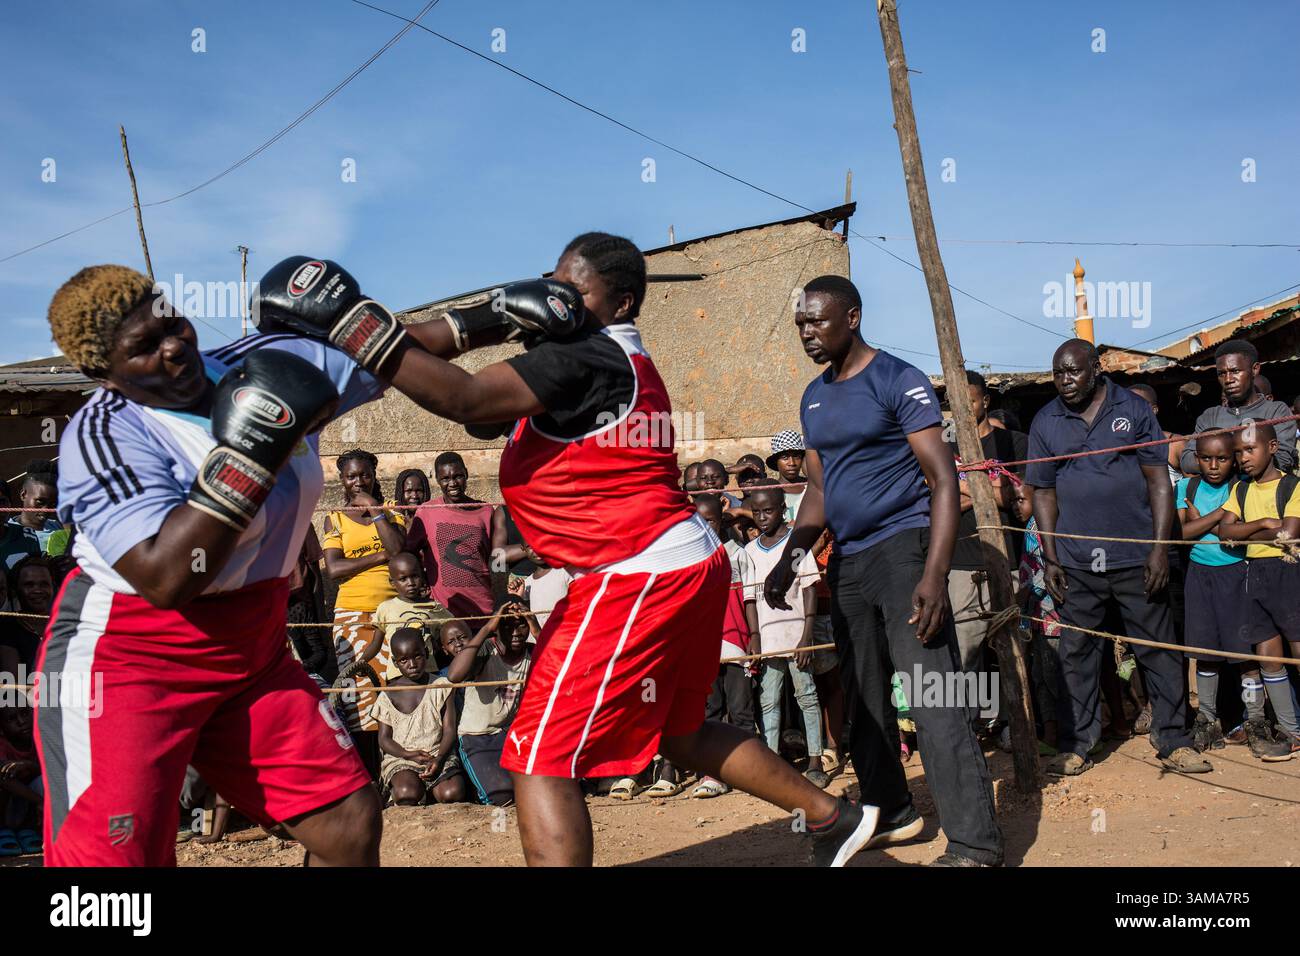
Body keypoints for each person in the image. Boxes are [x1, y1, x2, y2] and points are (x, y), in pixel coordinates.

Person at [282, 235, 879, 866]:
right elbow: (473, 406)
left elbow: (464, 399)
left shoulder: (590, 357)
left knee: (539, 754)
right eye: (552, 284)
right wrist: (482, 320)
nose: (557, 299)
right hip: (677, 563)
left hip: (638, 571)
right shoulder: (592, 358)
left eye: (576, 290)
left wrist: (350, 319)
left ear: (621, 301)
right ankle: (830, 817)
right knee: (679, 733)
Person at [36, 263, 387, 866]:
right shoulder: (103, 436)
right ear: (103, 372)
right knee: (118, 868)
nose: (174, 346)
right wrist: (247, 453)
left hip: (252, 651)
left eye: (170, 321)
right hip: (131, 659)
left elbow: (397, 354)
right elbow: (168, 578)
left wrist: (503, 320)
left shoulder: (251, 365)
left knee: (347, 824)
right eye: (144, 348)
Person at [765, 274, 1001, 867]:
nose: (807, 332)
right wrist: (788, 560)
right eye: (800, 323)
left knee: (933, 695)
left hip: (903, 553)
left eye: (817, 320)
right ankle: (893, 811)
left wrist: (933, 574)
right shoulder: (814, 397)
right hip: (848, 561)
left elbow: (943, 480)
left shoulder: (898, 378)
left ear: (852, 317)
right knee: (866, 698)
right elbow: (818, 490)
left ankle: (975, 845)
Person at [1024, 339, 1209, 777]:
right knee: (1077, 653)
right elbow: (1043, 493)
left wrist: (1159, 550)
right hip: (1076, 560)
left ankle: (1174, 741)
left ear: (1096, 368)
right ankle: (1077, 745)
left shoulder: (1133, 408)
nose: (1065, 381)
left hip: (1134, 556)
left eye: (1073, 371)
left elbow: (1158, 482)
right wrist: (1051, 558)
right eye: (1058, 373)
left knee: (1157, 650)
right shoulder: (1046, 419)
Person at [1174, 433, 1274, 756]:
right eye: (1206, 459)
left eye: (1222, 459)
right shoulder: (1186, 488)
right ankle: (1206, 718)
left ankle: (1256, 719)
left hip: (1237, 576)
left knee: (1245, 654)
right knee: (1205, 653)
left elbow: (1237, 538)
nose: (1214, 466)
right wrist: (1218, 517)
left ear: (1233, 459)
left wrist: (1201, 520)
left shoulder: (1241, 489)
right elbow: (1182, 536)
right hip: (1199, 578)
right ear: (1196, 458)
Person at [1218, 421, 1300, 758]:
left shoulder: (1292, 486)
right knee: (1268, 655)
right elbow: (1225, 533)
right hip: (1255, 575)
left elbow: (1290, 535)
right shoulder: (1240, 489)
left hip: (1289, 574)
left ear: (1273, 448)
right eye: (1238, 452)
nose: (1243, 458)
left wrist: (1244, 532)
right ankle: (1290, 730)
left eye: (1250, 449)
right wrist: (1266, 524)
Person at [322, 448, 408, 773]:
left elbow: (399, 548)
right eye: (351, 476)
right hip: (351, 614)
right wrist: (378, 557)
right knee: (358, 695)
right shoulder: (335, 517)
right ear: (342, 480)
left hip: (392, 611)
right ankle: (370, 775)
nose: (359, 481)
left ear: (374, 475)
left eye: (365, 474)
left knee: (394, 687)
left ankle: (399, 771)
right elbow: (334, 569)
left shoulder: (390, 511)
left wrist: (375, 510)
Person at [742, 483, 828, 788]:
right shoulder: (749, 552)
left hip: (796, 637)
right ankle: (771, 761)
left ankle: (816, 760)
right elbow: (750, 599)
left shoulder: (796, 545)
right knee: (768, 700)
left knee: (806, 695)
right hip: (767, 640)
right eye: (756, 512)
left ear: (783, 510)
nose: (762, 517)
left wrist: (806, 636)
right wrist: (755, 637)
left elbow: (808, 589)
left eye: (768, 510)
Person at [945, 370, 1025, 673]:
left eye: (972, 401)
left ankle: (1012, 720)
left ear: (986, 401)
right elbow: (940, 503)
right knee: (966, 655)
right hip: (963, 564)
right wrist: (994, 491)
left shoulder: (1012, 443)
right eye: (956, 402)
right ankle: (978, 720)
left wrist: (958, 483)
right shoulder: (942, 447)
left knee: (1015, 652)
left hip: (1010, 559)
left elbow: (1020, 500)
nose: (965, 409)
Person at [691, 494, 756, 798]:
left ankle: (751, 772)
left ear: (723, 520)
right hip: (703, 646)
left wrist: (753, 636)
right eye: (699, 520)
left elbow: (749, 598)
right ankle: (713, 773)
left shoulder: (737, 553)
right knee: (711, 710)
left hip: (734, 642)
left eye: (712, 519)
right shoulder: (688, 557)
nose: (705, 525)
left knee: (741, 710)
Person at [446, 600, 533, 807]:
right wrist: (487, 628)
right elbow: (454, 675)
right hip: (477, 737)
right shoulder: (486, 650)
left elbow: (563, 666)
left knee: (537, 789)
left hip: (511, 735)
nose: (515, 632)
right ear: (496, 627)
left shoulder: (533, 652)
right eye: (506, 625)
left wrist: (536, 627)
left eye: (522, 624)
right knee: (502, 798)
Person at [372, 628, 467, 805]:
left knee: (452, 793)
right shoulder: (388, 695)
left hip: (438, 754)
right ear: (395, 662)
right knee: (407, 793)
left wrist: (439, 758)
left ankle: (431, 792)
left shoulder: (441, 686)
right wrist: (408, 754)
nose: (412, 664)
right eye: (404, 660)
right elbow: (384, 739)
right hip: (402, 757)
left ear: (427, 653)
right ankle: (408, 791)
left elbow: (449, 729)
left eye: (417, 656)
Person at [405, 452, 500, 620]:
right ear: (437, 480)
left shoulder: (485, 511)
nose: (453, 483)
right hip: (444, 611)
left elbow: (497, 555)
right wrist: (421, 581)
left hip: (483, 608)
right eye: (445, 479)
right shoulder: (427, 511)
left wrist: (504, 580)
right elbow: (409, 552)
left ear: (466, 474)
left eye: (458, 476)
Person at [1180, 340, 1295, 474]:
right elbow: (1187, 461)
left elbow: (1282, 460)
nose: (1228, 379)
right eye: (1221, 374)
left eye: (1235, 371)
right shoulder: (1210, 416)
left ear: (1254, 369)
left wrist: (1217, 461)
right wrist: (1246, 460)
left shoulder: (1276, 411)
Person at [1014, 484, 1063, 752]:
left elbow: (1045, 572)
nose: (1015, 505)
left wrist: (1023, 594)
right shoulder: (1029, 527)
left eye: (1021, 499)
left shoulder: (1042, 526)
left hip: (1050, 614)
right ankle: (1052, 733)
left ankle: (1069, 733)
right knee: (1040, 675)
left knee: (1054, 673)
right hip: (1036, 615)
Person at [371, 551, 453, 680]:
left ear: (422, 576)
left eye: (415, 576)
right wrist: (361, 662)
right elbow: (375, 644)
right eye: (403, 579)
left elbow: (452, 628)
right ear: (392, 582)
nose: (410, 583)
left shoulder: (433, 607)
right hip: (397, 675)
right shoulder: (385, 608)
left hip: (429, 672)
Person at [0, 694, 42, 856]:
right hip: (7, 806)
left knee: (44, 780)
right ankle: (2, 829)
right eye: (12, 719)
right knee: (5, 777)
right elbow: (3, 779)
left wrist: (29, 766)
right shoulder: (3, 744)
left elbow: (51, 772)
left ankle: (28, 828)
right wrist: (41, 801)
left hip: (28, 808)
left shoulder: (39, 738)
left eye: (25, 713)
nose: (21, 722)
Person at [0, 556, 53, 677]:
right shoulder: (7, 628)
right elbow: (12, 683)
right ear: (15, 590)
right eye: (29, 585)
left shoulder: (66, 624)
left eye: (44, 584)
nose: (37, 590)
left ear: (52, 587)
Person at [523, 546, 572, 631]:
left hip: (563, 633)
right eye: (530, 547)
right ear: (523, 549)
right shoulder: (527, 583)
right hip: (537, 640)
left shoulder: (566, 572)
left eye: (540, 544)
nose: (536, 550)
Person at [767, 430, 808, 522]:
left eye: (797, 456)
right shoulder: (770, 490)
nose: (792, 463)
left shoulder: (812, 486)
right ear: (776, 461)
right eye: (785, 457)